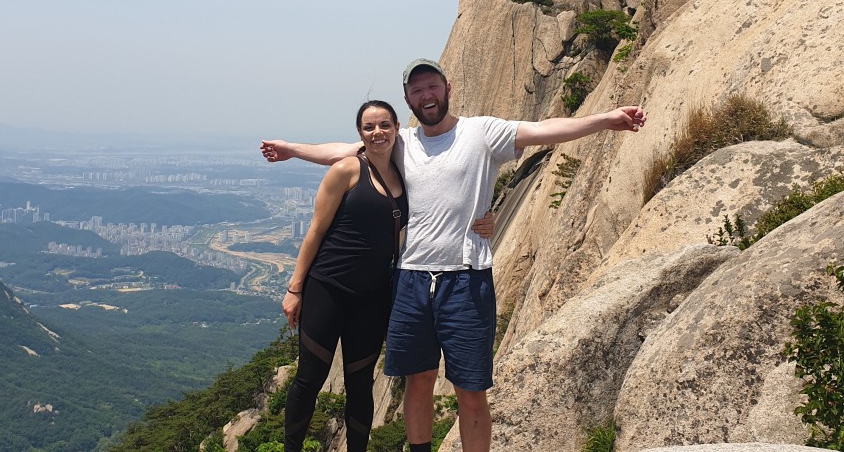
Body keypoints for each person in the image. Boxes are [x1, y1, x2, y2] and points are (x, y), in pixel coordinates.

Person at [261, 59, 646, 452]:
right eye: (417, 90)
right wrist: (291, 149)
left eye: (432, 87)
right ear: (408, 99)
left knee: (471, 389)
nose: (426, 96)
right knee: (418, 382)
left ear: (447, 87)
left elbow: (544, 130)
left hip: (465, 277)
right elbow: (342, 152)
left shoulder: (481, 132)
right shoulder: (402, 142)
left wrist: (605, 119)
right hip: (410, 279)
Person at [280, 99, 493, 452]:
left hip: (373, 295)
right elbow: (315, 230)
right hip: (328, 288)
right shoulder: (347, 170)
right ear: (360, 134)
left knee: (360, 384)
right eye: (368, 127)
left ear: (397, 129)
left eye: (384, 125)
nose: (377, 132)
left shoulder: (403, 172)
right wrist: (295, 288)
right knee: (309, 379)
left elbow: (447, 200)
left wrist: (487, 218)